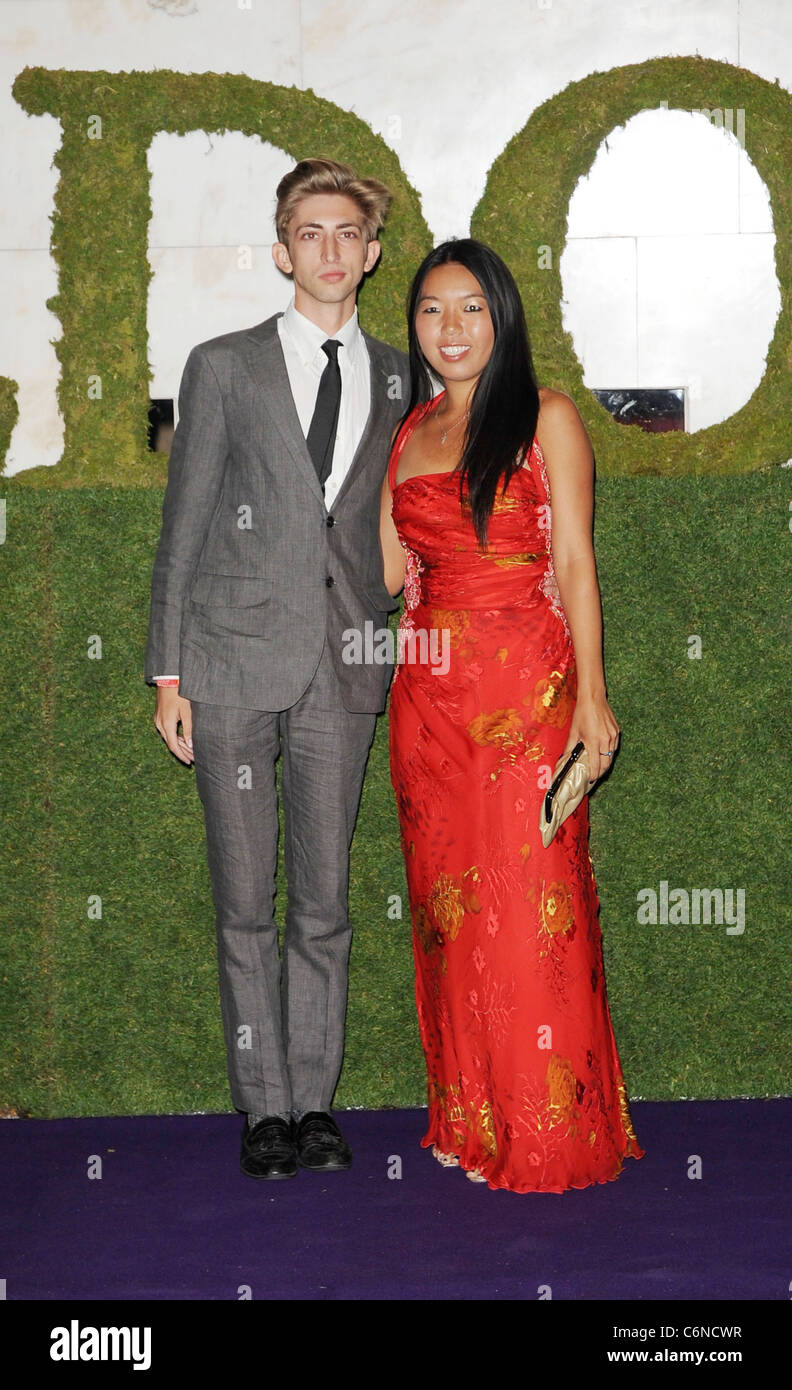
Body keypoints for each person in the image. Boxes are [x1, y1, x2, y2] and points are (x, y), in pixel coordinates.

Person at [145, 158, 408, 1180]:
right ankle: (262, 1109)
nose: (332, 250)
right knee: (245, 901)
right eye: (313, 233)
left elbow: (399, 514)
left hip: (344, 666)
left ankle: (315, 1103)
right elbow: (185, 525)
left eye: (349, 233)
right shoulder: (223, 367)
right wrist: (170, 676)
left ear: (372, 251)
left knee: (326, 904)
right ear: (282, 249)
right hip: (229, 664)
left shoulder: (397, 375)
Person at [380, 238, 645, 1193]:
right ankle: (470, 1118)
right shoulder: (407, 431)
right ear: (411, 327)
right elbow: (384, 569)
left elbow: (575, 561)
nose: (448, 329)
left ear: (502, 317)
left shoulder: (547, 417)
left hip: (527, 695)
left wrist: (593, 697)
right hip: (428, 704)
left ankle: (545, 1136)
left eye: (469, 309)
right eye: (429, 312)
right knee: (451, 916)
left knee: (534, 906)